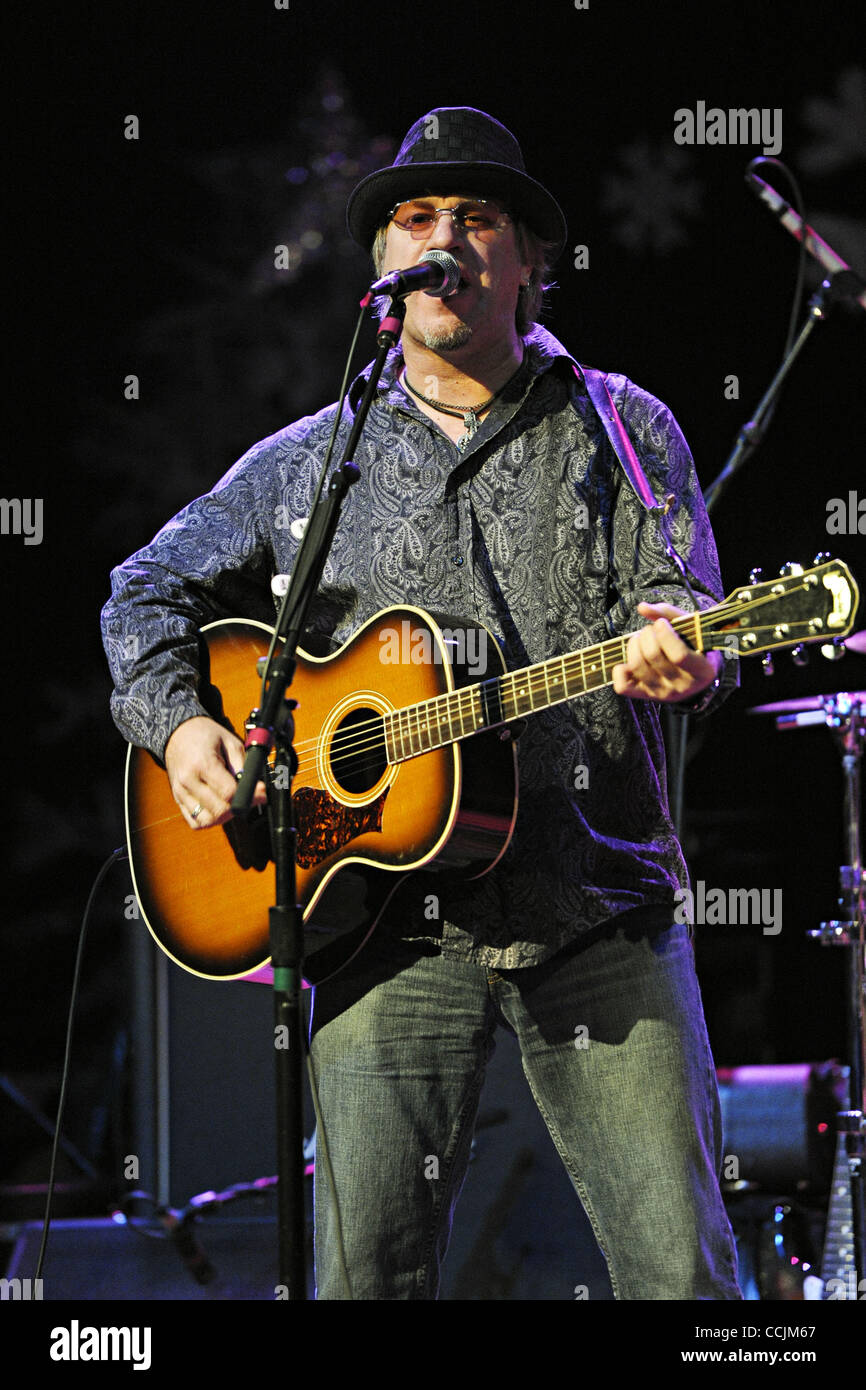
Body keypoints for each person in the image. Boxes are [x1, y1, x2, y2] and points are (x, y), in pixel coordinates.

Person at [102, 106, 742, 1300]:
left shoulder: (621, 424)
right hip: (384, 924)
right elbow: (140, 591)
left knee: (685, 1282)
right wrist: (184, 725)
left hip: (593, 905)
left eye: (476, 217)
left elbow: (680, 610)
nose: (442, 236)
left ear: (527, 264)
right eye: (416, 217)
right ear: (387, 269)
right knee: (363, 1280)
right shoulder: (311, 458)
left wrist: (686, 656)